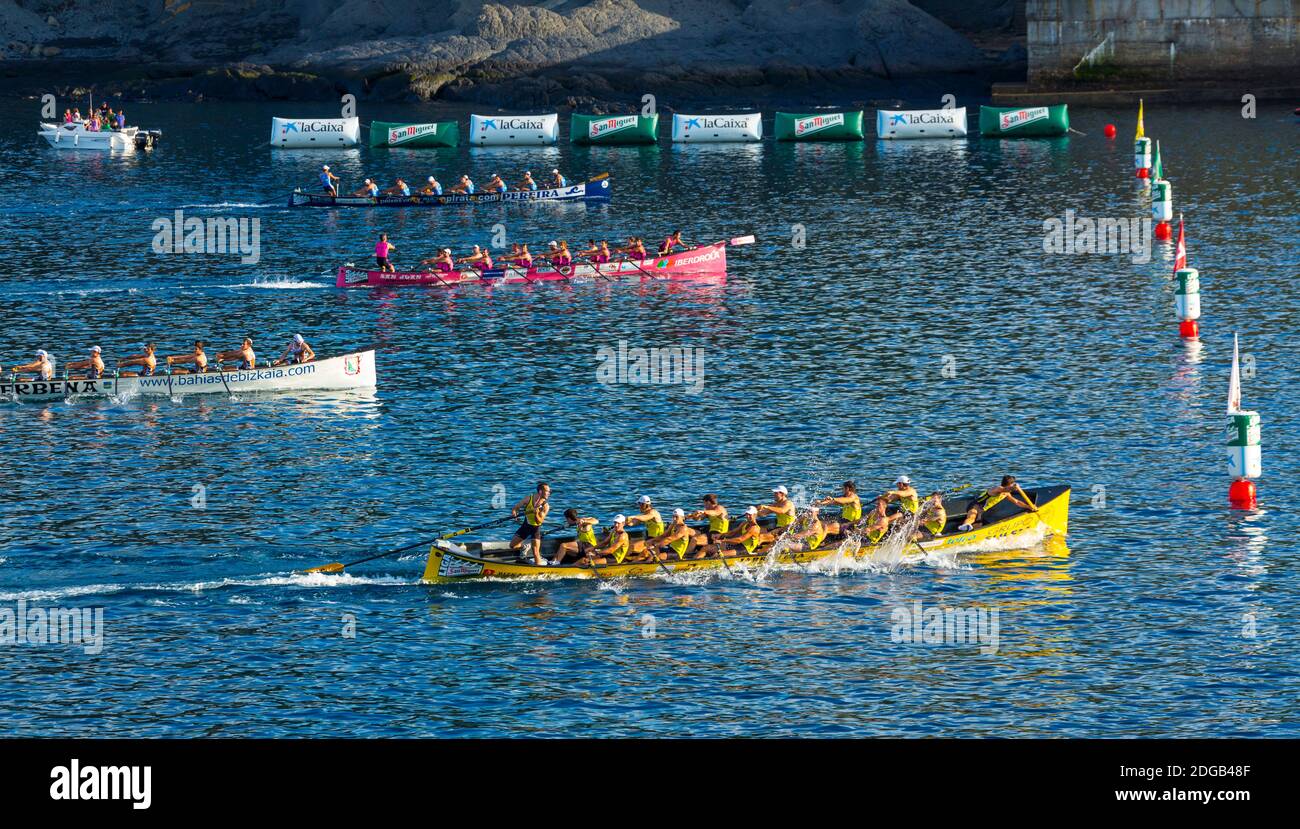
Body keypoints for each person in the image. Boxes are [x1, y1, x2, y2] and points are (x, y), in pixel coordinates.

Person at [958, 476, 1037, 532]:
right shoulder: (997, 488)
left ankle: (967, 534)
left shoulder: (1006, 493)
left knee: (978, 525)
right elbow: (1005, 489)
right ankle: (965, 526)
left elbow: (1017, 502)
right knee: (972, 517)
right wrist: (1014, 487)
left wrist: (1029, 506)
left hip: (983, 510)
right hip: (975, 505)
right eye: (1012, 484)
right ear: (1010, 485)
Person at [694, 506, 764, 559]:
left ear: (755, 515)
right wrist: (720, 535)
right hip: (736, 545)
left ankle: (705, 567)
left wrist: (722, 541)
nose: (748, 516)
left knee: (717, 555)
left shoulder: (754, 528)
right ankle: (692, 563)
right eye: (747, 514)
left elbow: (739, 540)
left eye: (750, 514)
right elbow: (732, 532)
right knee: (707, 548)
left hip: (744, 549)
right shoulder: (745, 522)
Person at [510, 482, 551, 566]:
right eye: (547, 491)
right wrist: (514, 513)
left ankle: (539, 571)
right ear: (540, 492)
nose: (549, 493)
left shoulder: (545, 506)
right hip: (525, 526)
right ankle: (524, 547)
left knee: (535, 553)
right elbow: (515, 508)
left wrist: (536, 513)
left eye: (549, 491)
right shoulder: (528, 498)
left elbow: (539, 521)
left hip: (535, 529)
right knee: (512, 546)